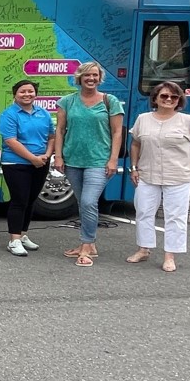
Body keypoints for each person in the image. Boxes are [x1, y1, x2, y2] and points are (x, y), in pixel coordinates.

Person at [126, 81, 190, 273]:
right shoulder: (143, 119)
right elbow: (136, 144)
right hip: (147, 173)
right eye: (164, 96)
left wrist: (188, 160)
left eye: (174, 96)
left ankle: (170, 255)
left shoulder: (186, 121)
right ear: (155, 98)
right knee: (144, 211)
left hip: (179, 175)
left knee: (175, 216)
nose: (169, 99)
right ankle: (143, 249)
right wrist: (134, 167)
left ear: (179, 100)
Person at [53, 61, 124, 267]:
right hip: (73, 159)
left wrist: (113, 159)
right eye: (87, 75)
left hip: (98, 160)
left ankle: (86, 246)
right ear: (79, 78)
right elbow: (60, 130)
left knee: (88, 202)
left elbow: (117, 132)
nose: (91, 79)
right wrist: (59, 156)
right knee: (81, 202)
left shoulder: (110, 102)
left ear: (99, 78)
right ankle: (89, 243)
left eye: (94, 75)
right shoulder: (67, 102)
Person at [0, 80, 54, 257]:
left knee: (30, 200)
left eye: (30, 91)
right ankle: (13, 240)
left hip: (40, 162)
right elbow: (11, 141)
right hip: (16, 163)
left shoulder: (43, 113)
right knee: (19, 200)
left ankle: (23, 235)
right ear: (15, 94)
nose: (27, 94)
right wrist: (32, 158)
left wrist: (46, 155)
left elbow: (51, 136)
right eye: (22, 92)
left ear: (35, 94)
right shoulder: (9, 114)